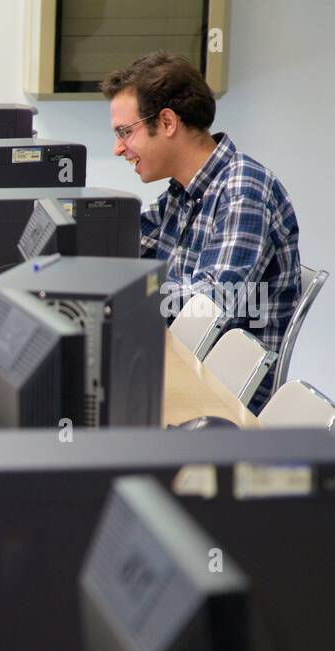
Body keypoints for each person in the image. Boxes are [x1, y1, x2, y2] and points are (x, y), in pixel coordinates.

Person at [102, 51, 300, 411]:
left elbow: (209, 305)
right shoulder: (183, 192)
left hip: (220, 398)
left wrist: (117, 303)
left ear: (166, 122)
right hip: (180, 366)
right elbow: (119, 250)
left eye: (124, 132)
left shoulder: (244, 188)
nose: (118, 149)